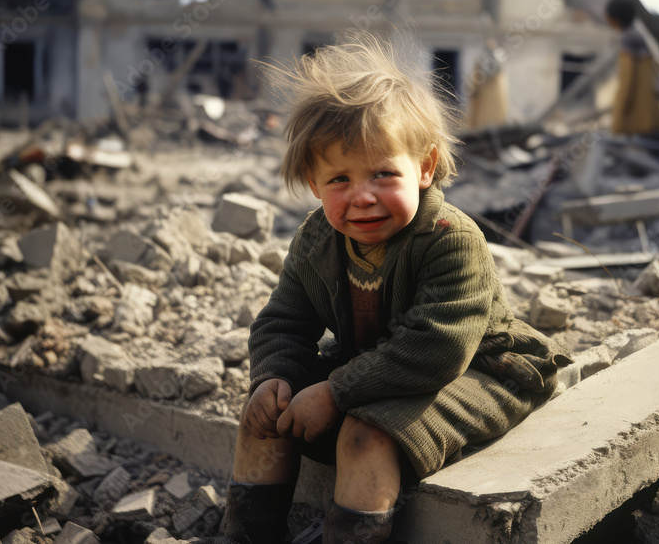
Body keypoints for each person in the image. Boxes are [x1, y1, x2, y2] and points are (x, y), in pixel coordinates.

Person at [222, 33, 572, 544]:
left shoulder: (450, 239)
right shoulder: (318, 239)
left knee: (366, 434)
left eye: (384, 173)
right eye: (339, 179)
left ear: (425, 168)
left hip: (482, 371)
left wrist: (336, 392)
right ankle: (247, 536)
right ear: (314, 184)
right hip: (379, 370)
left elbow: (437, 347)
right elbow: (283, 320)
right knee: (263, 413)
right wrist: (275, 375)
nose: (362, 197)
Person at [605, 0, 659, 135]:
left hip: (637, 115)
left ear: (614, 19)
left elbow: (627, 82)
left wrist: (619, 116)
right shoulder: (638, 36)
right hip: (649, 109)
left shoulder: (628, 40)